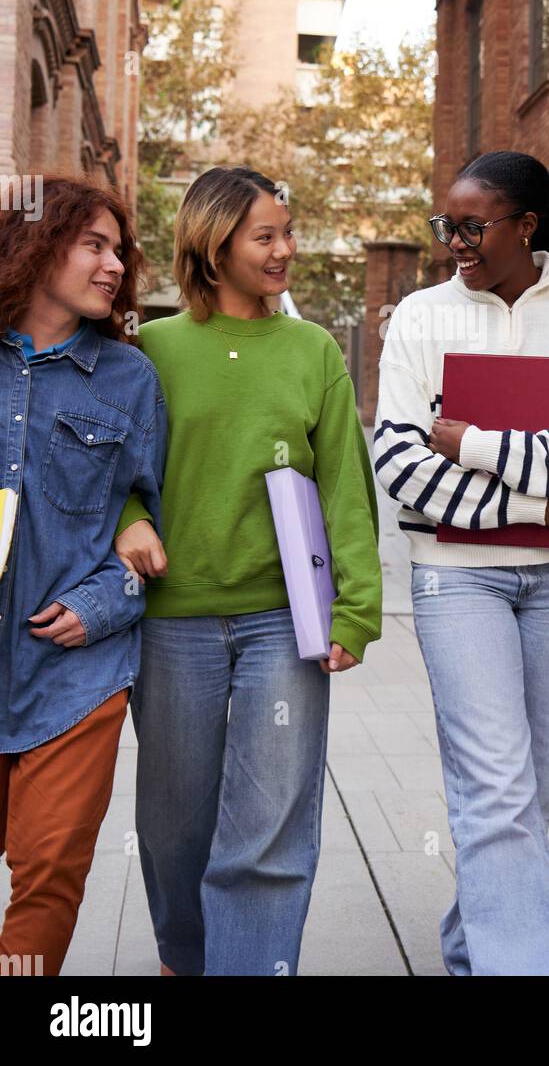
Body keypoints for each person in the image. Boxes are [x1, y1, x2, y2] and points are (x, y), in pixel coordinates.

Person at [373, 151, 549, 976]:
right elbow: (401, 463)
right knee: (497, 783)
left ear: (526, 226)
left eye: (471, 225)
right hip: (456, 577)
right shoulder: (420, 317)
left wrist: (480, 445)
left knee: (529, 788)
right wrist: (538, 504)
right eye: (445, 224)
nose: (454, 240)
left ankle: (472, 947)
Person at [113, 166, 382, 977]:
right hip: (172, 621)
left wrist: (356, 612)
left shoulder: (312, 350)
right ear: (213, 243)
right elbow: (113, 471)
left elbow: (344, 487)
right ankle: (182, 961)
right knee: (174, 825)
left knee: (268, 826)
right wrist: (130, 522)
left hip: (284, 621)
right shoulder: (151, 350)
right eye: (266, 236)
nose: (285, 250)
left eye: (287, 233)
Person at [0, 176, 166, 975]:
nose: (113, 266)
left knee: (50, 872)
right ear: (34, 244)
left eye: (118, 250)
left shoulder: (130, 380)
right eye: (93, 245)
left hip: (74, 671)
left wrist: (103, 602)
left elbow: (157, 530)